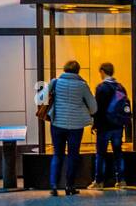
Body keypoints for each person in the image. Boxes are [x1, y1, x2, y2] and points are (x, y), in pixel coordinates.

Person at [42, 60, 96, 196]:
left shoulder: (56, 82)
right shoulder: (82, 85)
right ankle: (69, 186)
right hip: (76, 127)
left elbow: (42, 98)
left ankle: (54, 185)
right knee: (73, 156)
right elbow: (94, 108)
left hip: (57, 125)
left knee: (57, 154)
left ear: (65, 69)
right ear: (78, 70)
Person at [88, 62, 129, 190]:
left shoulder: (101, 88)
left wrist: (95, 124)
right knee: (118, 153)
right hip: (117, 126)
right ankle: (121, 180)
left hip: (104, 127)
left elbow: (97, 109)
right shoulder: (121, 87)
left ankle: (99, 181)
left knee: (100, 154)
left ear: (102, 71)